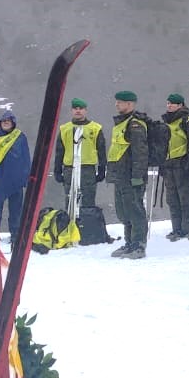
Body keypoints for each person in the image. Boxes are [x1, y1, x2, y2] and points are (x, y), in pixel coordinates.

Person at [107, 92, 150, 258]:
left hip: (131, 176)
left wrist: (138, 176)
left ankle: (139, 245)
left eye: (121, 102)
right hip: (120, 175)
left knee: (135, 211)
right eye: (116, 102)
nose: (117, 105)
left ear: (130, 104)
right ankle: (129, 243)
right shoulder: (121, 124)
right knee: (124, 212)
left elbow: (140, 153)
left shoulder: (135, 125)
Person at [55, 98, 106, 220]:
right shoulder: (65, 129)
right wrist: (57, 170)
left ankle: (88, 230)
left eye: (81, 109)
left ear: (85, 111)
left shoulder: (95, 128)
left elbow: (101, 151)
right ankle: (70, 230)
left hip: (87, 169)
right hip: (69, 169)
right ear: (72, 110)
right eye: (75, 109)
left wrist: (102, 169)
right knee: (70, 201)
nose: (78, 111)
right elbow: (59, 152)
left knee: (88, 201)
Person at [161, 94, 189, 241]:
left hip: (182, 164)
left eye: (173, 104)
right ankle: (176, 229)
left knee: (185, 199)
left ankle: (187, 230)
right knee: (172, 199)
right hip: (169, 164)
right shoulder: (167, 123)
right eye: (168, 103)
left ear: (181, 105)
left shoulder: (187, 121)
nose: (169, 106)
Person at [0, 110, 31, 234]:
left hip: (16, 179)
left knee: (16, 211)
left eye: (8, 121)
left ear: (13, 123)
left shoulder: (20, 136)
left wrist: (26, 176)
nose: (6, 123)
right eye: (4, 121)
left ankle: (15, 235)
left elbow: (26, 158)